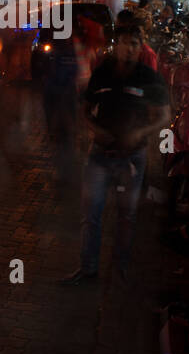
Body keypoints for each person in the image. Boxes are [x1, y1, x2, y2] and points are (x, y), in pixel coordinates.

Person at [60, 25, 170, 286]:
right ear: (116, 45)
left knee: (126, 216)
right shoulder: (103, 73)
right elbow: (85, 109)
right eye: (125, 43)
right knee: (91, 214)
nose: (129, 48)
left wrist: (140, 132)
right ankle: (88, 269)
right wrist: (95, 129)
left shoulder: (149, 77)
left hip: (132, 157)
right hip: (100, 155)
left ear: (140, 47)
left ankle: (120, 269)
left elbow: (164, 116)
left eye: (134, 44)